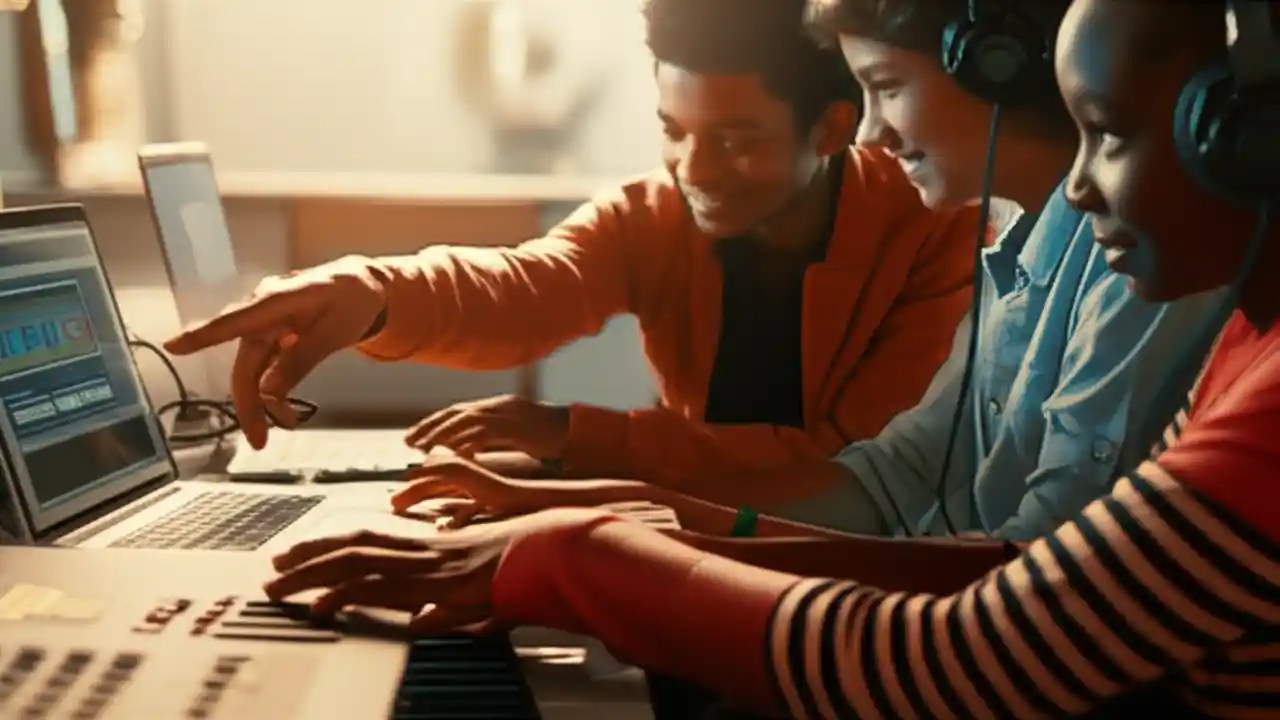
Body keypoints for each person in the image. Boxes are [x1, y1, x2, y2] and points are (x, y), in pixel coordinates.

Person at [263, 0, 1280, 716]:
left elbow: (978, 650)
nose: (1079, 184)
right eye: (673, 132)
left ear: (1237, 140)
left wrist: (592, 548)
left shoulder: (1229, 375)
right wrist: (626, 515)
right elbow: (970, 550)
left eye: (1103, 136)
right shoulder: (1219, 339)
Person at [400, 0, 1224, 545]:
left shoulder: (1139, 258)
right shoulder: (1019, 239)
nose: (871, 134)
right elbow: (890, 478)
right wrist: (586, 514)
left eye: (885, 88)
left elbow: (1026, 574)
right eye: (673, 130)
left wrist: (608, 535)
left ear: (997, 68)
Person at [164, 0, 980, 488]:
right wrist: (372, 290)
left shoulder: (933, 230)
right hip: (693, 545)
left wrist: (570, 435)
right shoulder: (656, 213)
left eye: (736, 142)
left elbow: (843, 469)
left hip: (857, 593)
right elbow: (529, 287)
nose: (694, 170)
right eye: (672, 130)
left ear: (834, 127)